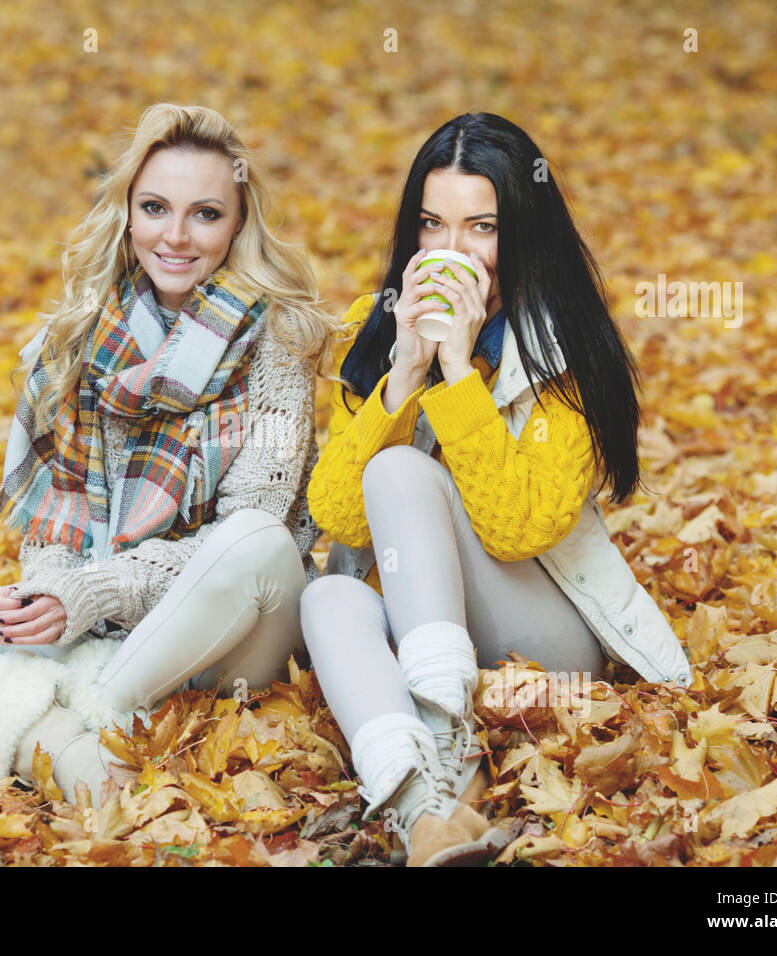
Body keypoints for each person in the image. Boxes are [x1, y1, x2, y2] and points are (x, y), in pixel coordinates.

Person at [0, 103, 332, 802]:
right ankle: (64, 741)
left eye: (206, 214)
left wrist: (91, 592)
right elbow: (55, 531)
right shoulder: (77, 339)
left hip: (222, 636)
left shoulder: (280, 339)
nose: (176, 236)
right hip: (89, 635)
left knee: (256, 539)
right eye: (155, 207)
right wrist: (50, 592)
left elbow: (257, 519)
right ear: (127, 212)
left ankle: (8, 729)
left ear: (239, 223)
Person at [300, 112, 694, 866]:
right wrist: (405, 373)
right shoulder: (379, 332)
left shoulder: (561, 349)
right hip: (428, 635)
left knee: (401, 471)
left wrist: (455, 375)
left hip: (541, 633)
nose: (452, 252)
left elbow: (522, 529)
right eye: (432, 224)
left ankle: (446, 743)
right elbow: (338, 519)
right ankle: (429, 817)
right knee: (329, 597)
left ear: (521, 234)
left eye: (481, 226)